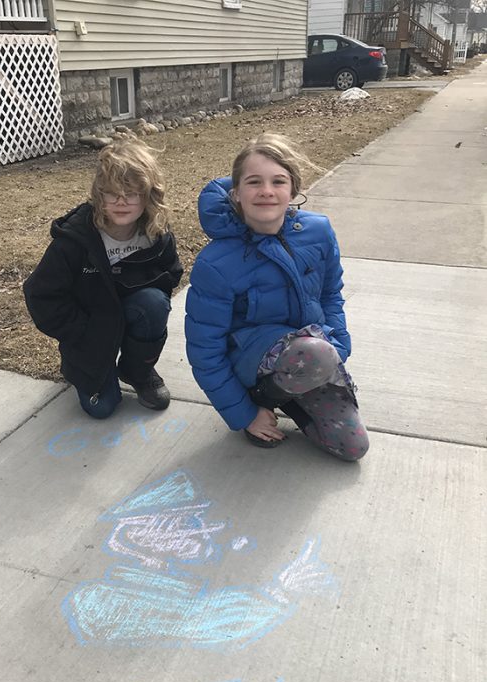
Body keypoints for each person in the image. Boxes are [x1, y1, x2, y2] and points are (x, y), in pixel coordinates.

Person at [185, 133, 369, 461]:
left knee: (353, 446)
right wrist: (244, 413)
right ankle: (263, 399)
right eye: (254, 182)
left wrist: (339, 346)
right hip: (254, 366)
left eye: (278, 181)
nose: (267, 191)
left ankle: (296, 396)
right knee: (312, 354)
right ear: (237, 194)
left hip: (311, 356)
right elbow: (204, 351)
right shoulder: (215, 263)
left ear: (293, 189)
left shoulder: (319, 231)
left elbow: (330, 294)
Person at [23, 137, 183, 418]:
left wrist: (137, 315)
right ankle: (87, 367)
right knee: (103, 408)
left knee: (154, 303)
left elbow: (171, 273)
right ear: (99, 195)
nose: (122, 202)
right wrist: (82, 332)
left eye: (132, 193)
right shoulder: (75, 239)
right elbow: (40, 294)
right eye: (112, 193)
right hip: (90, 328)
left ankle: (138, 371)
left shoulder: (155, 234)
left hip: (131, 313)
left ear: (148, 196)